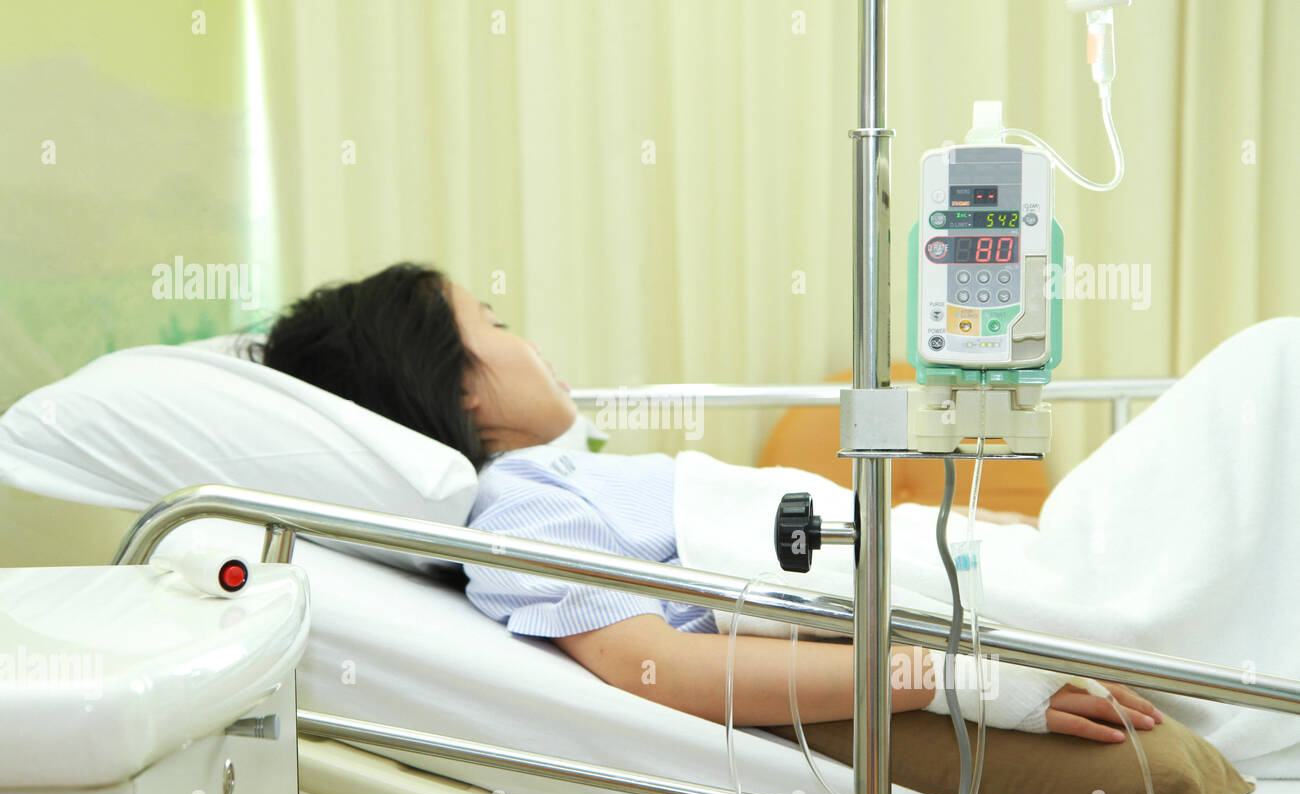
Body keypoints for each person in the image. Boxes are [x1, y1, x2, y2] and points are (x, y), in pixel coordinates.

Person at [252, 262, 1161, 743]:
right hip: (948, 599)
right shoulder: (515, 510)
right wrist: (960, 676)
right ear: (461, 392)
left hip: (945, 555)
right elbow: (669, 671)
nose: (525, 337)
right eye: (493, 320)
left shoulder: (564, 476)